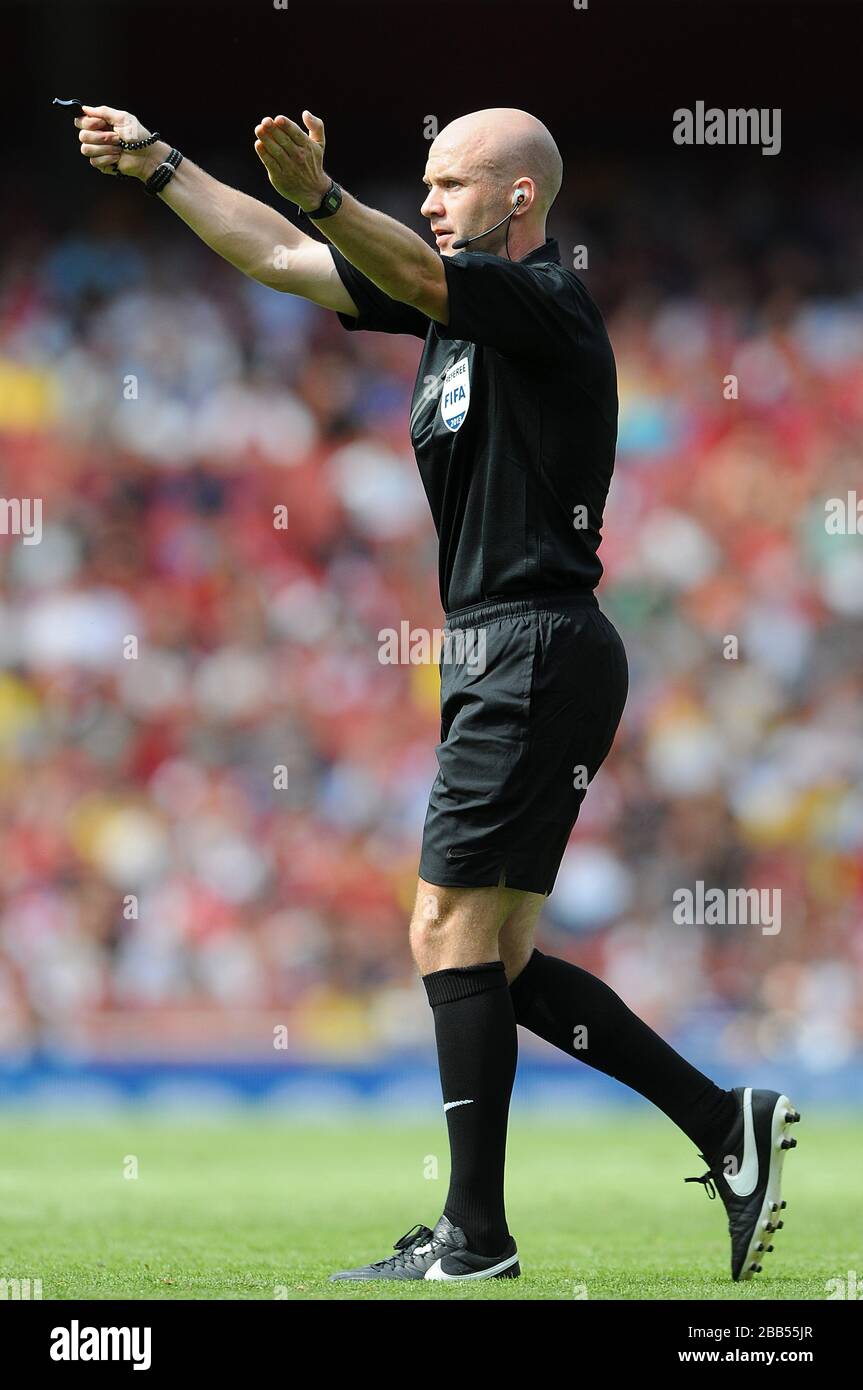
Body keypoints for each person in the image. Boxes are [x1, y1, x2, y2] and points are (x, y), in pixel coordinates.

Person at [72, 102, 800, 1284]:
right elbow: (281, 256)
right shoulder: (443, 314)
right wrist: (161, 164)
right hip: (509, 650)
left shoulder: (540, 300)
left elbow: (376, 249)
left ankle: (474, 1238)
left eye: (449, 183)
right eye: (420, 183)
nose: (426, 201)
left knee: (442, 931)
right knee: (493, 964)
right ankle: (725, 1128)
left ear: (518, 199)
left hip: (532, 641)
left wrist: (324, 192)